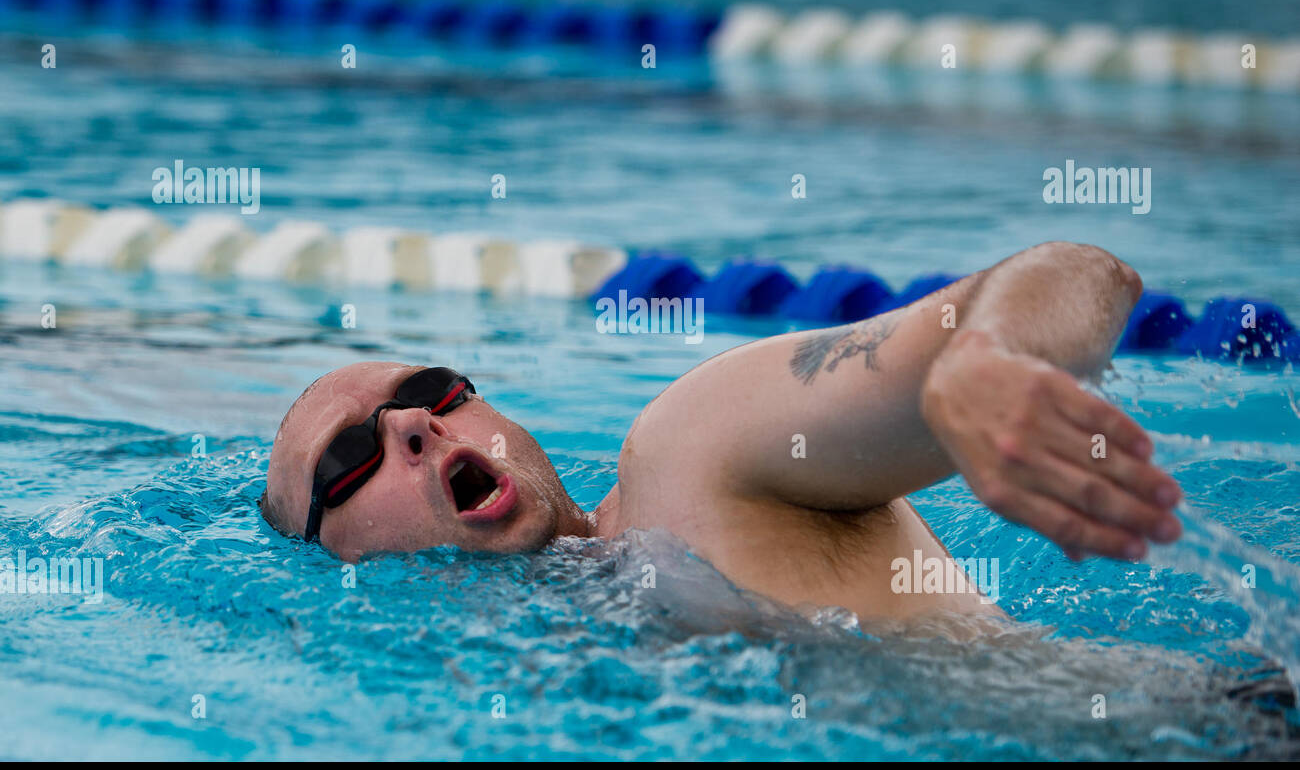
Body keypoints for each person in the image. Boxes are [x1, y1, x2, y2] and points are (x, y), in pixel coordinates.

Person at [259, 241, 1183, 622]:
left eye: (429, 389)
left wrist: (983, 358)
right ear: (325, 558)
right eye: (349, 457)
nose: (416, 422)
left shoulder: (694, 455)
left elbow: (1082, 274)